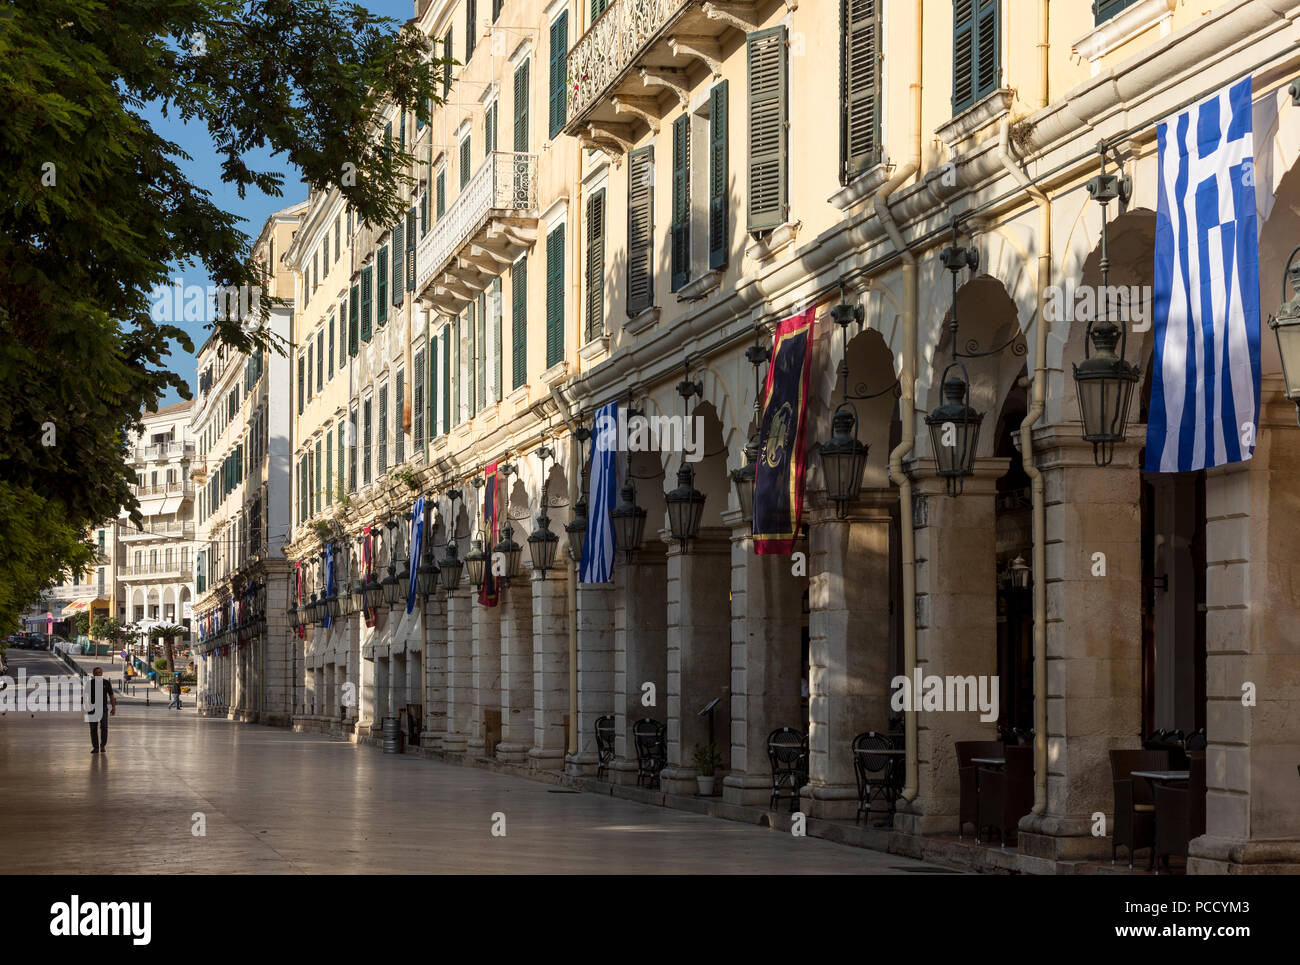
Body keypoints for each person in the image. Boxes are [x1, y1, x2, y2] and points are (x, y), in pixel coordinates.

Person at [84, 667, 116, 754]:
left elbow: (111, 696)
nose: (99, 674)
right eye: (97, 673)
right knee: (93, 729)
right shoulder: (90, 683)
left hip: (103, 709)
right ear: (94, 674)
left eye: (100, 672)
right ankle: (95, 747)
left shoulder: (106, 683)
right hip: (92, 709)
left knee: (104, 727)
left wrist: (113, 707)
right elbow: (85, 696)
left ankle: (102, 746)